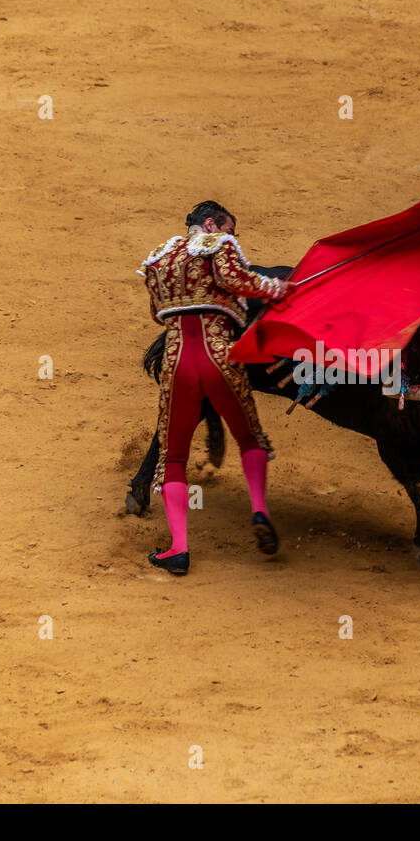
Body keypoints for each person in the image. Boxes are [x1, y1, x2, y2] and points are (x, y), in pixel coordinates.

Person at [138, 201, 291, 575]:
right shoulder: (217, 245)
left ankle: (178, 550)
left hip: (176, 362)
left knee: (173, 458)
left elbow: (157, 311)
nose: (232, 237)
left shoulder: (157, 259)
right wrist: (277, 287)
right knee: (249, 438)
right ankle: (258, 510)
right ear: (210, 224)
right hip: (219, 354)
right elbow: (238, 280)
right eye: (230, 229)